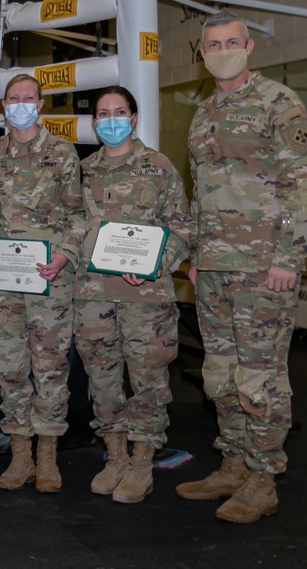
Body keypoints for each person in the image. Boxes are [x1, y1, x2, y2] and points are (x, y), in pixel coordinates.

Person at [178, 11, 307, 523]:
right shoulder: (204, 113)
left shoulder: (278, 102)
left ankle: (263, 480)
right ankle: (233, 464)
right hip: (215, 269)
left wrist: (290, 259)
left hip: (264, 269)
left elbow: (303, 184)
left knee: (260, 377)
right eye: (212, 44)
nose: (222, 49)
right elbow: (201, 196)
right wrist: (196, 257)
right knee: (219, 373)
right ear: (202, 52)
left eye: (230, 41)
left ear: (249, 45)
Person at [73, 86, 190, 504]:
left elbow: (182, 228)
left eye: (119, 111)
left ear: (134, 118)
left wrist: (156, 264)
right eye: (102, 114)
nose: (111, 120)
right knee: (102, 381)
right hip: (92, 297)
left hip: (147, 299)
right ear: (93, 123)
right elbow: (68, 228)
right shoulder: (82, 171)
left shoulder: (158, 168)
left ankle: (142, 461)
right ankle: (116, 456)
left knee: (148, 382)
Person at [0, 73, 86, 493]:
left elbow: (78, 215)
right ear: (4, 104)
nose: (20, 104)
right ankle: (19, 454)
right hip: (3, 279)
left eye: (28, 98)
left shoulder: (61, 152)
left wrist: (65, 253)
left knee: (51, 367)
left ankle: (47, 457)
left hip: (50, 277)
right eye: (13, 98)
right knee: (8, 366)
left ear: (40, 104)